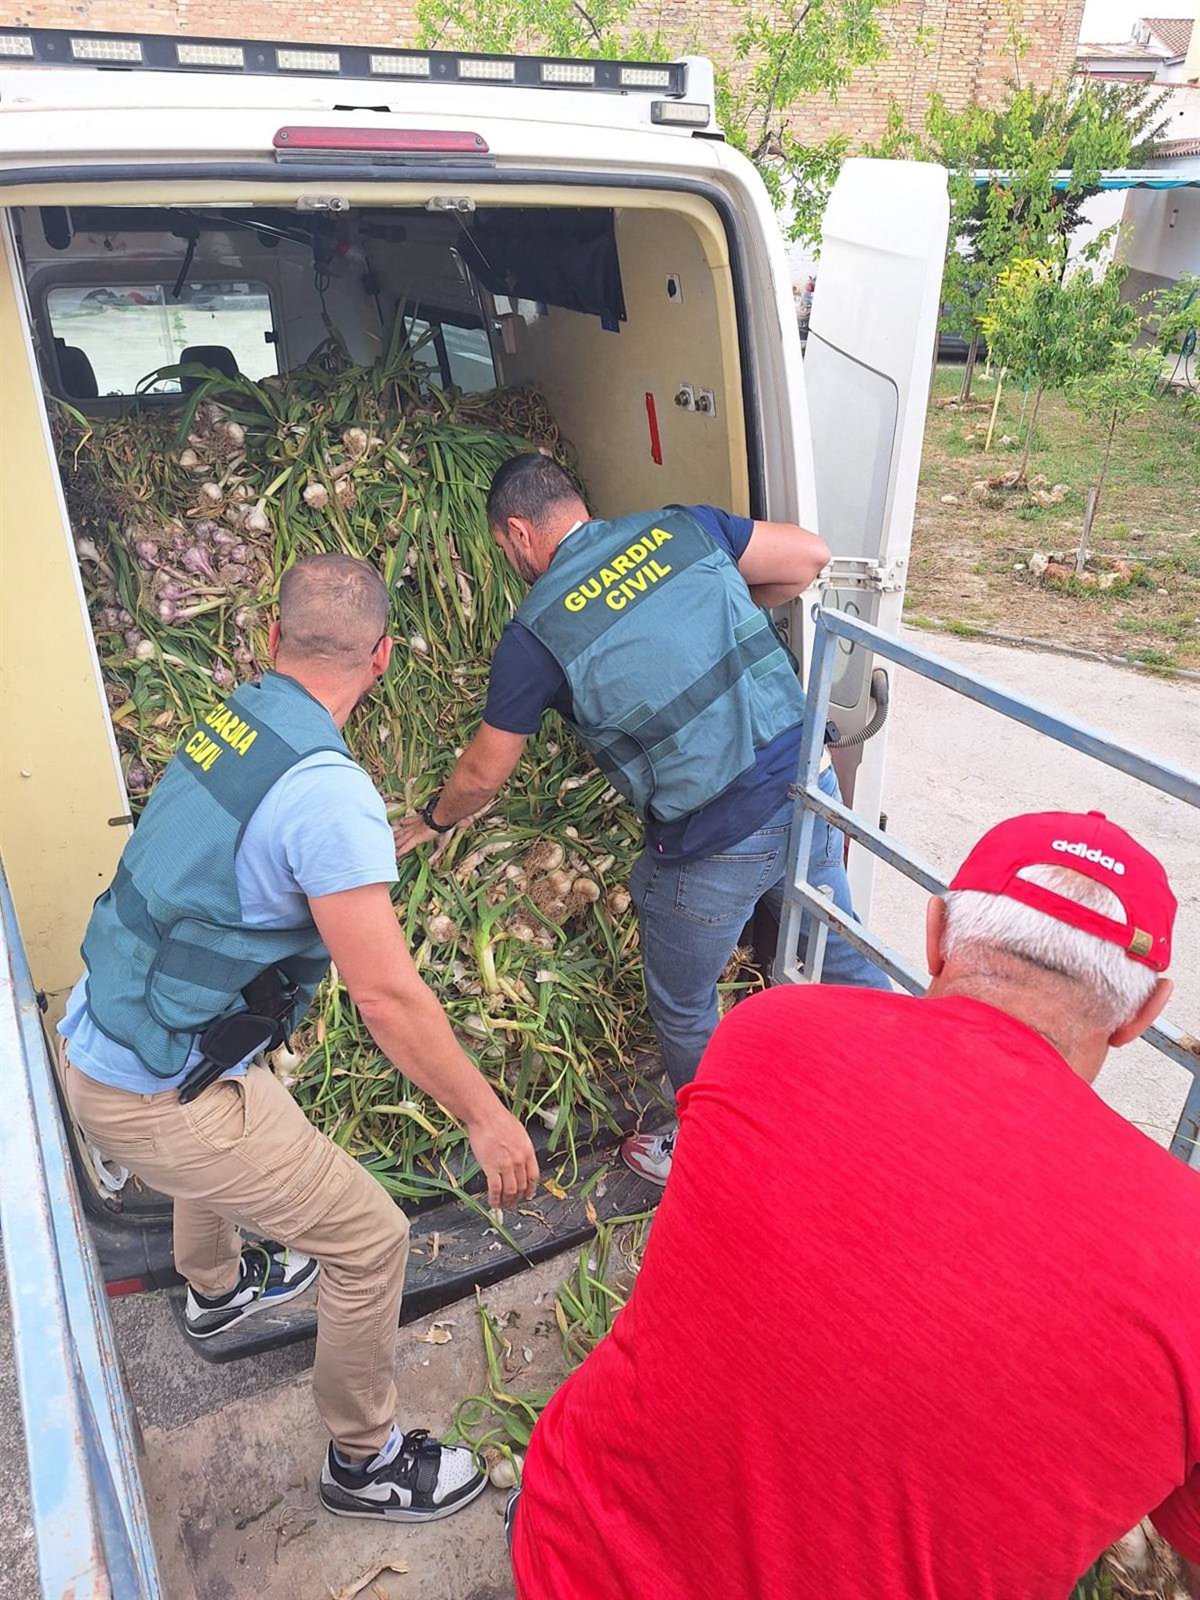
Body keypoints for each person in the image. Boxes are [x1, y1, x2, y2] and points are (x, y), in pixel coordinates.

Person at [508, 810, 1200, 1600]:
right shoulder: (1187, 1248)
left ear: (936, 932)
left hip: (575, 1555)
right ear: (1143, 1016)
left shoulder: (770, 1032)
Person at [59, 553, 539, 1524]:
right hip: (149, 1086)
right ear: (384, 657)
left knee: (252, 1096)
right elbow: (388, 996)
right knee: (368, 1238)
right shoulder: (330, 797)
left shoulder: (238, 714)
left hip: (115, 1030)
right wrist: (486, 1117)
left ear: (273, 641)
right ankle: (364, 1460)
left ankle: (218, 1287)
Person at [394, 453, 889, 1186]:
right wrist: (723, 605)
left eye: (505, 549)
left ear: (521, 534)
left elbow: (483, 773)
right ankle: (910, 1085)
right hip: (809, 787)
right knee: (842, 956)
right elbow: (809, 557)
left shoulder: (535, 633)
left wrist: (433, 820)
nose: (510, 561)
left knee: (687, 1005)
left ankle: (717, 1147)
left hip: (713, 840)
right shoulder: (682, 530)